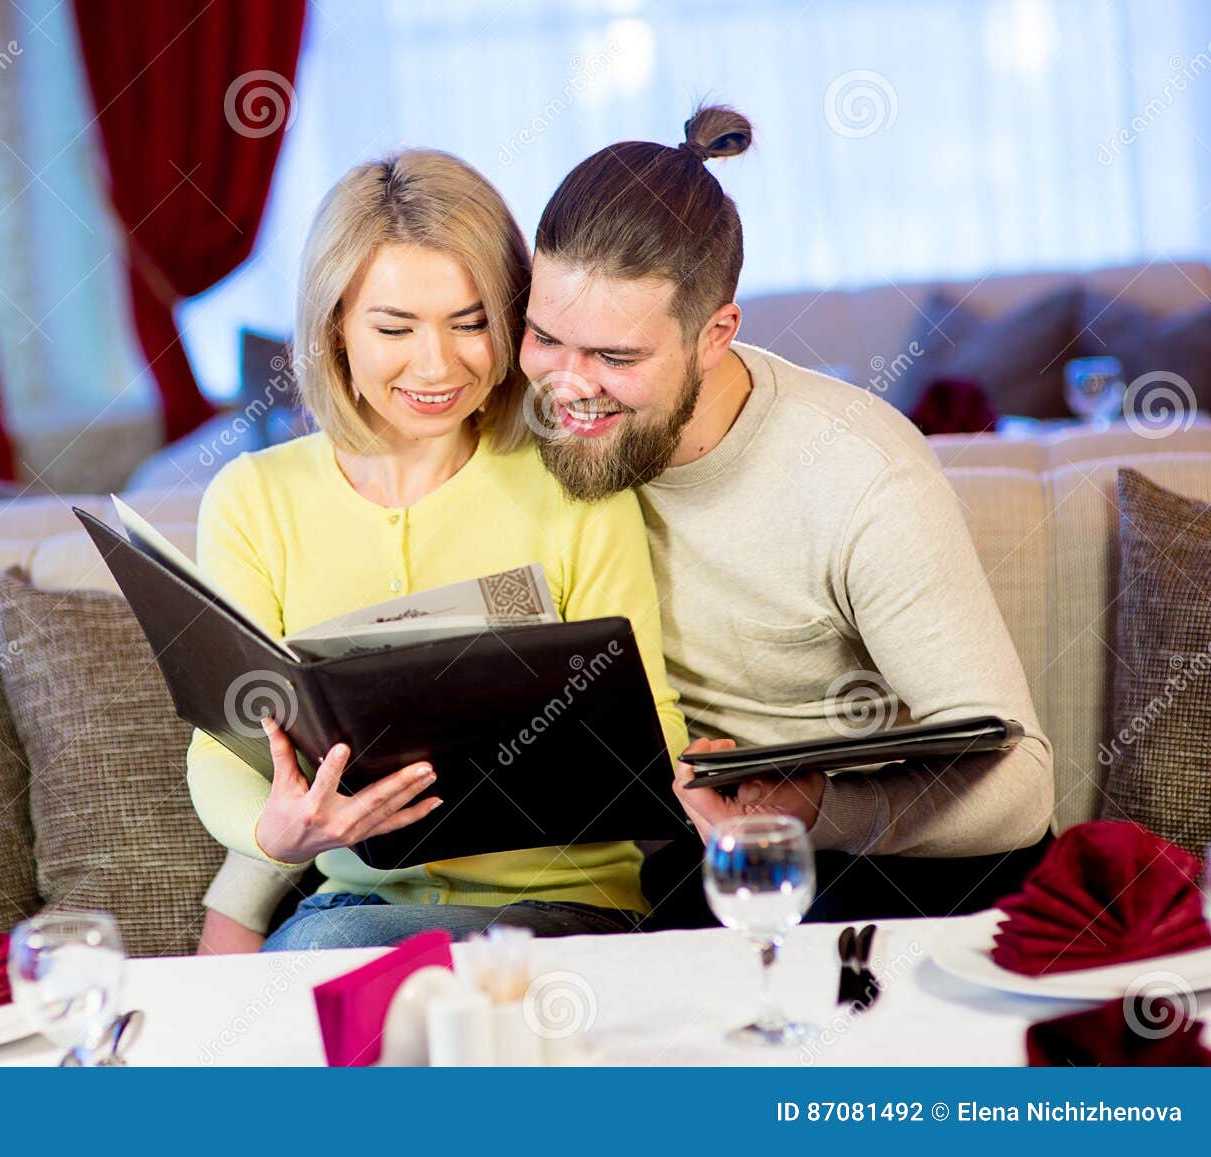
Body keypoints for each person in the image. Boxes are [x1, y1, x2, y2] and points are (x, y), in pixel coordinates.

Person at [517, 104, 1055, 926]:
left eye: (616, 357)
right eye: (545, 338)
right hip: (683, 854)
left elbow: (1022, 789)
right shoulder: (532, 433)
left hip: (887, 863)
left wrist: (815, 807)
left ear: (715, 335)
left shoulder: (859, 474)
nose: (567, 384)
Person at [187, 149, 689, 954]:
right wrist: (269, 829)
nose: (437, 365)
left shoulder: (575, 479)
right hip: (353, 919)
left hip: (566, 916)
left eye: (472, 323)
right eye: (394, 328)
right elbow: (224, 738)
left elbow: (649, 718)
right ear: (335, 327)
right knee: (328, 971)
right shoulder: (253, 499)